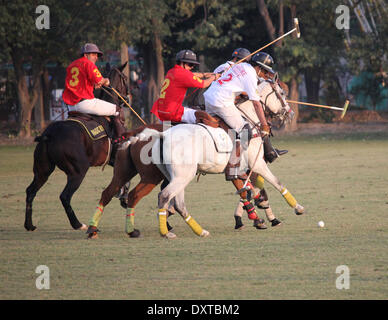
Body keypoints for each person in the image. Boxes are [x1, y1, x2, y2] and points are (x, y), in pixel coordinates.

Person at [203, 51, 274, 182]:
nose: (265, 75)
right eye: (264, 72)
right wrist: (264, 125)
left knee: (227, 129)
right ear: (258, 67)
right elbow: (257, 105)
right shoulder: (251, 75)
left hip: (209, 98)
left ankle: (221, 156)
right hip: (222, 102)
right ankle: (233, 166)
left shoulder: (239, 65)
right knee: (246, 130)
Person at [62, 43, 126, 137]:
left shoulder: (72, 65)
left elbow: (78, 83)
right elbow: (100, 80)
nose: (96, 57)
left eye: (97, 55)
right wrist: (106, 81)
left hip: (70, 107)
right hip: (85, 104)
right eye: (93, 54)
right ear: (85, 55)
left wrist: (92, 86)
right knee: (118, 111)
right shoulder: (88, 64)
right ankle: (121, 141)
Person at [151, 49, 221, 124]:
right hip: (173, 112)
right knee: (204, 118)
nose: (192, 67)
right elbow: (204, 84)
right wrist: (214, 77)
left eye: (193, 65)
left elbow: (190, 75)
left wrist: (204, 74)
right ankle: (232, 135)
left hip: (161, 112)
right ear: (182, 63)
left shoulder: (171, 71)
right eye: (190, 64)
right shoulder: (183, 74)